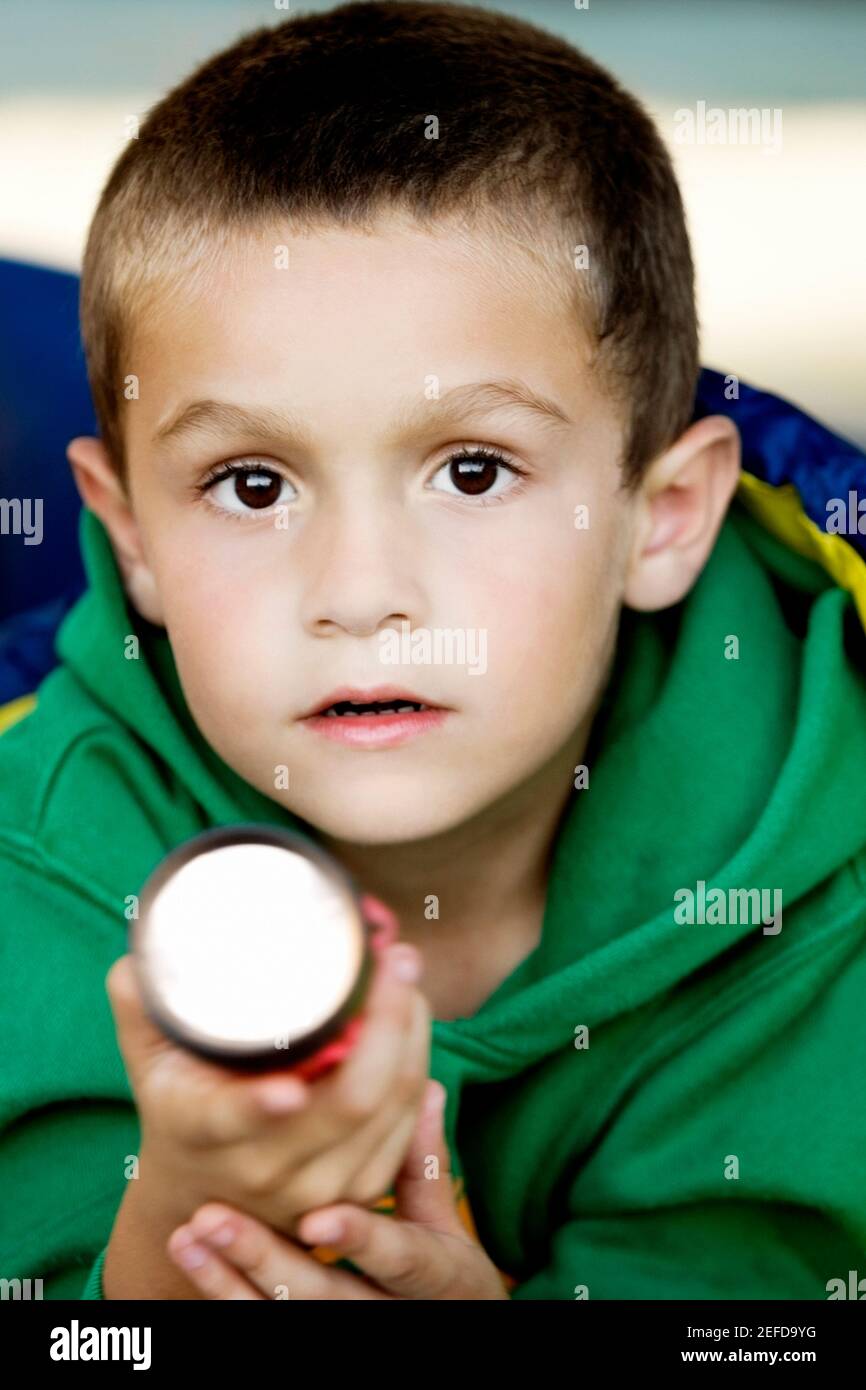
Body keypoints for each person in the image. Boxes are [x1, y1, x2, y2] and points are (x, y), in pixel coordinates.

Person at [2, 0, 866, 1301]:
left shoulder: (817, 904)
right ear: (131, 542)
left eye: (471, 469)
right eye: (249, 484)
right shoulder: (36, 862)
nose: (360, 592)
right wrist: (168, 1251)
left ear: (660, 516)